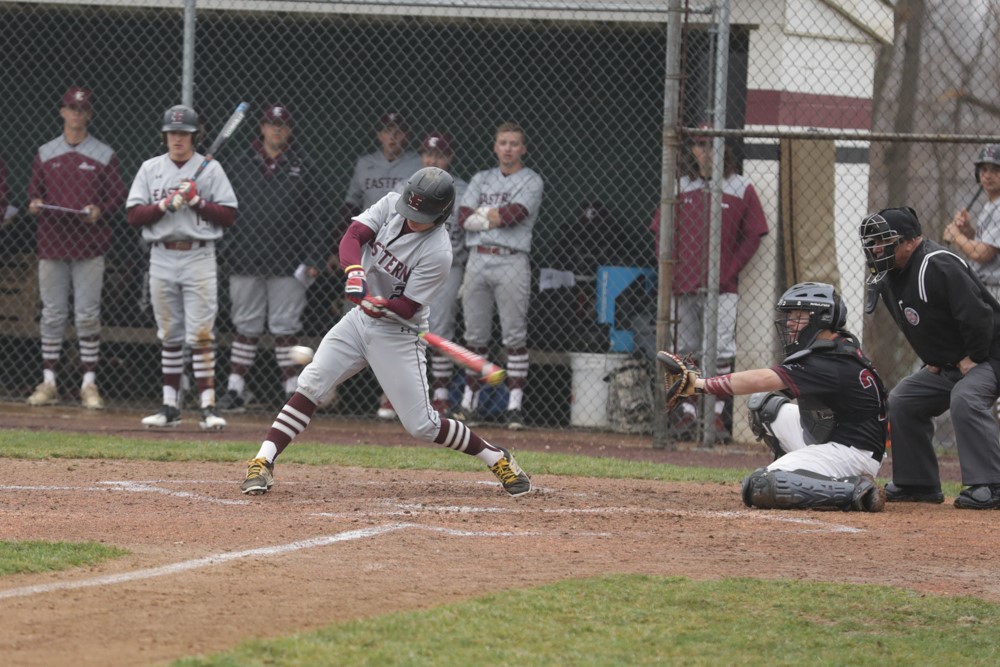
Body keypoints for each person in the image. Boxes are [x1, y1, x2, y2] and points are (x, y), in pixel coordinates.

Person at [240, 167, 531, 498]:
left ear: (440, 215)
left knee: (423, 426)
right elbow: (353, 235)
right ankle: (263, 461)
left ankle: (496, 457)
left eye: (421, 216)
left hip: (399, 333)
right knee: (311, 384)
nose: (412, 219)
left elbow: (407, 306)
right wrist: (354, 272)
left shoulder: (439, 252)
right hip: (358, 321)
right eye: (411, 211)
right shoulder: (392, 204)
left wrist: (383, 305)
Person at [669, 281, 887, 511]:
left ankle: (856, 490)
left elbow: (761, 380)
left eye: (799, 316)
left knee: (761, 485)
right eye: (790, 316)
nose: (790, 323)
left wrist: (700, 384)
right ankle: (800, 473)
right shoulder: (836, 346)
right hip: (842, 438)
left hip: (853, 454)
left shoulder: (827, 361)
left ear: (821, 318)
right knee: (765, 407)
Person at [861, 206, 1000, 509]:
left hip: (989, 353)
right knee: (903, 400)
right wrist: (937, 357)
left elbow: (979, 317)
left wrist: (972, 356)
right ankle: (918, 482)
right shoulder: (890, 273)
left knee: (966, 397)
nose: (877, 248)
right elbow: (920, 324)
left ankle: (992, 484)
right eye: (874, 242)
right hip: (956, 360)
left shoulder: (937, 264)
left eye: (885, 241)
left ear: (911, 241)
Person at [649, 132, 769, 441]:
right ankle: (689, 412)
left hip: (722, 287)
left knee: (720, 349)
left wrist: (729, 270)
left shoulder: (740, 186)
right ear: (692, 150)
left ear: (724, 149)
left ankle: (714, 414)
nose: (706, 151)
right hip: (682, 284)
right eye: (700, 144)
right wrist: (670, 271)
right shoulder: (680, 186)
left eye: (712, 145)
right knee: (685, 348)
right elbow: (661, 231)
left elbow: (754, 234)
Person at [126, 104, 238, 430]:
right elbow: (133, 215)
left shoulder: (210, 169)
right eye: (173, 133)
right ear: (165, 135)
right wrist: (164, 204)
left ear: (194, 136)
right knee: (170, 335)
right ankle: (169, 406)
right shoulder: (150, 168)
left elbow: (229, 215)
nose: (178, 139)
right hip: (161, 254)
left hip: (198, 255)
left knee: (201, 334)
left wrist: (196, 201)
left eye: (184, 134)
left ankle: (208, 408)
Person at [216, 104, 325, 412]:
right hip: (245, 258)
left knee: (285, 327)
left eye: (283, 124)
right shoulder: (239, 163)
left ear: (290, 130)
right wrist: (227, 250)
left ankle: (292, 391)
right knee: (245, 326)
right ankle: (235, 389)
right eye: (272, 124)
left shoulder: (304, 166)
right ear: (262, 128)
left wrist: (314, 257)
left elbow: (320, 215)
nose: (277, 129)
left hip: (289, 261)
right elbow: (222, 209)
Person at [25, 87, 127, 410]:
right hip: (52, 244)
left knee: (87, 315)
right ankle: (49, 382)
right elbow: (33, 194)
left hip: (89, 246)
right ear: (62, 112)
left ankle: (88, 384)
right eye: (71, 108)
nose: (76, 114)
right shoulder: (45, 152)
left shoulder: (104, 154)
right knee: (52, 314)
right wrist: (35, 204)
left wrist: (100, 209)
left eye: (82, 110)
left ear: (89, 115)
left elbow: (118, 197)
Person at [456, 121, 544, 430]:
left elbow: (514, 215)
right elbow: (463, 217)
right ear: (495, 147)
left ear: (523, 149)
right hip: (478, 259)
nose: (508, 148)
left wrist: (484, 216)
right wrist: (492, 217)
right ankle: (469, 403)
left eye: (514, 143)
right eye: (503, 143)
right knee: (475, 337)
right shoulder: (481, 178)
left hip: (512, 259)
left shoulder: (532, 180)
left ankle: (514, 407)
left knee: (514, 337)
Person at [338, 111, 423, 421]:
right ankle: (331, 384)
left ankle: (392, 396)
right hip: (367, 246)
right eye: (388, 130)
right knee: (353, 322)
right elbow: (350, 207)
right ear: (379, 134)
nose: (393, 136)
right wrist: (348, 264)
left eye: (398, 131)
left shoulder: (417, 165)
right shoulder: (365, 164)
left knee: (393, 329)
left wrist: (386, 305)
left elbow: (408, 306)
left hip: (405, 251)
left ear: (406, 135)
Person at [394, 132, 469, 417]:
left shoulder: (463, 189)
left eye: (439, 155)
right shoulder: (407, 186)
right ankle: (399, 394)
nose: (433, 160)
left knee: (441, 331)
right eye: (428, 154)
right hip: (410, 267)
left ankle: (440, 395)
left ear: (449, 157)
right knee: (402, 330)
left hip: (450, 268)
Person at [943, 145, 1000, 304]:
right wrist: (968, 231)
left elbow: (983, 254)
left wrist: (956, 236)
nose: (987, 175)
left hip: (996, 288)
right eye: (984, 170)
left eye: (995, 170)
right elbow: (983, 244)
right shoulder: (991, 205)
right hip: (986, 287)